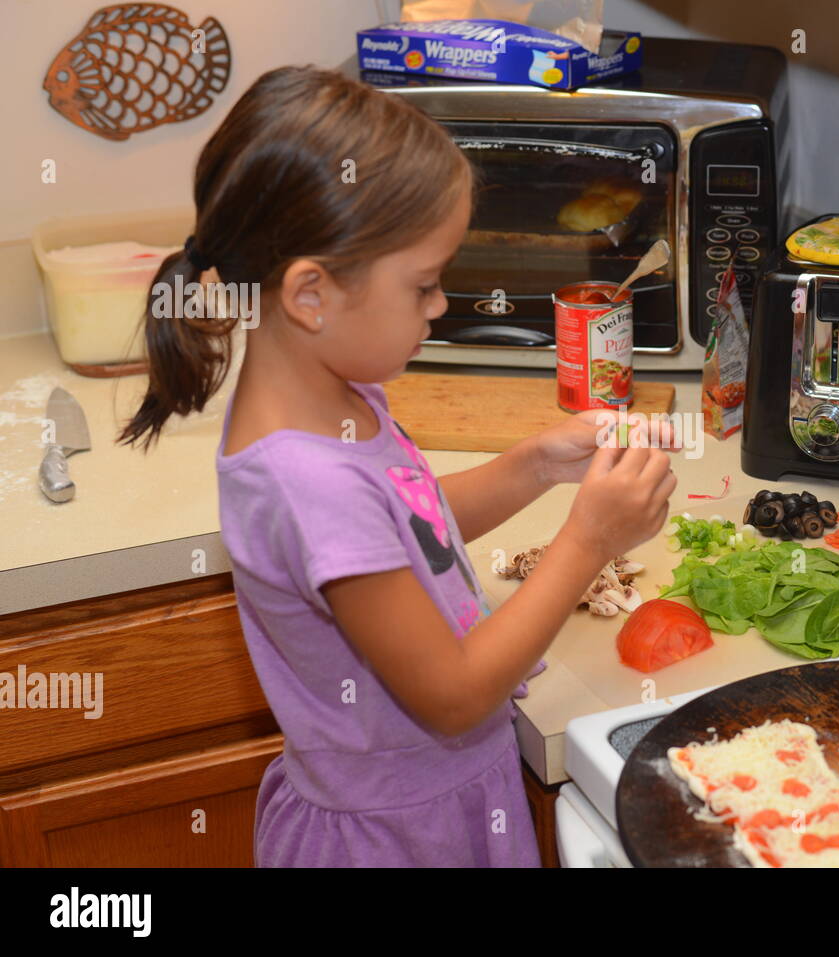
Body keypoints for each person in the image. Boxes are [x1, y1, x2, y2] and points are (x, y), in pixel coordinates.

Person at [117, 66, 677, 867]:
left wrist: (532, 466)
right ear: (311, 294)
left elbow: (404, 524)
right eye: (423, 285)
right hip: (397, 838)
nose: (441, 305)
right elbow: (453, 695)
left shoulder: (337, 397)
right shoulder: (304, 480)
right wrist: (588, 540)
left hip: (441, 803)